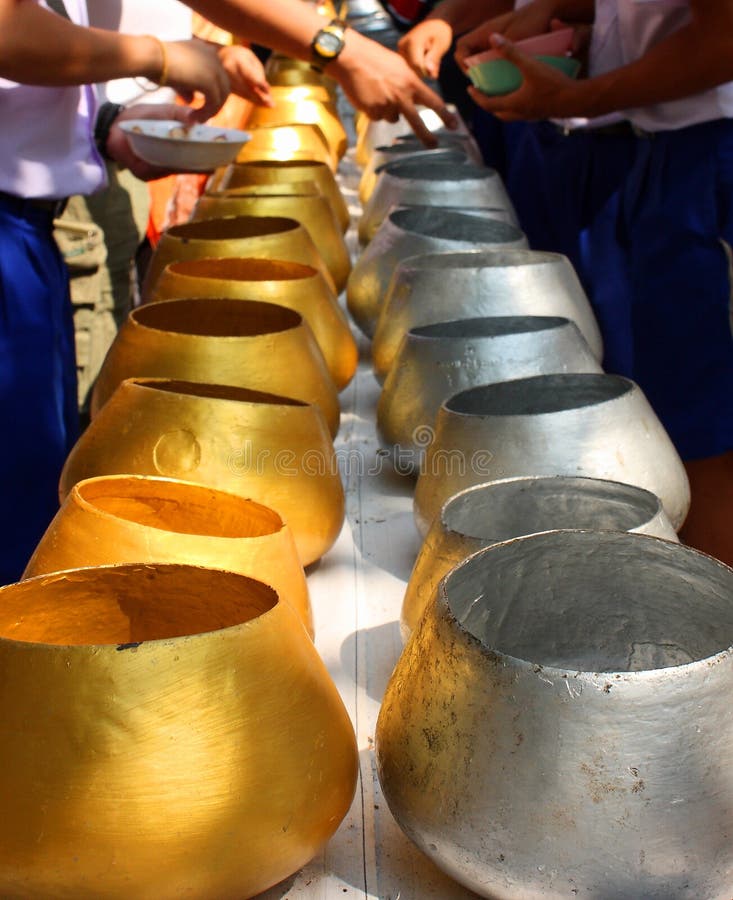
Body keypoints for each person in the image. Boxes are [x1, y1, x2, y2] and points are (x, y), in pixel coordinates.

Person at [450, 0, 733, 565]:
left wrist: (576, 98)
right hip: (664, 148)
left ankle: (714, 618)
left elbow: (723, 37)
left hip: (708, 153)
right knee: (668, 413)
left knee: (706, 434)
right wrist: (572, 22)